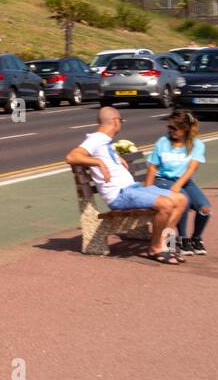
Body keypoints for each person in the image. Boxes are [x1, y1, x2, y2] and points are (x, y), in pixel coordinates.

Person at [65, 106, 190, 264]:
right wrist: (98, 162)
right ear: (116, 121)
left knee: (181, 200)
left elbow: (103, 153)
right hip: (121, 195)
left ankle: (165, 243)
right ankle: (156, 248)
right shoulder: (96, 139)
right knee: (165, 205)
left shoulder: (105, 141)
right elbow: (71, 157)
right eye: (121, 121)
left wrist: (116, 157)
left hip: (133, 190)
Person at [144, 110, 210, 255]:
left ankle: (196, 238)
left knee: (205, 209)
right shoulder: (163, 142)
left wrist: (179, 184)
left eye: (174, 128)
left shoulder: (196, 145)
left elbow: (192, 168)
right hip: (162, 180)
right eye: (169, 127)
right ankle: (182, 238)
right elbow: (153, 167)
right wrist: (147, 190)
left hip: (184, 181)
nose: (170, 131)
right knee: (183, 201)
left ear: (185, 129)